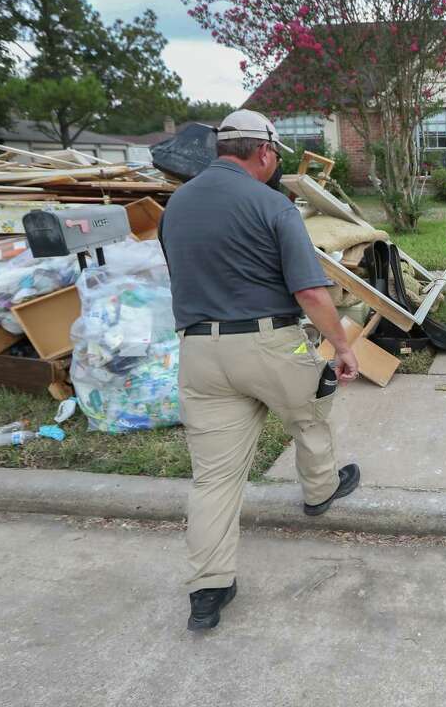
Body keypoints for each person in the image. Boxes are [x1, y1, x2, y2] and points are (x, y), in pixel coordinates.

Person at [159, 109, 362, 631]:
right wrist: (341, 345)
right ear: (265, 153)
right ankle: (320, 491)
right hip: (275, 342)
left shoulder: (175, 205)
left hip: (200, 352)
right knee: (311, 408)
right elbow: (312, 292)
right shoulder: (273, 205)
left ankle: (209, 588)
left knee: (214, 478)